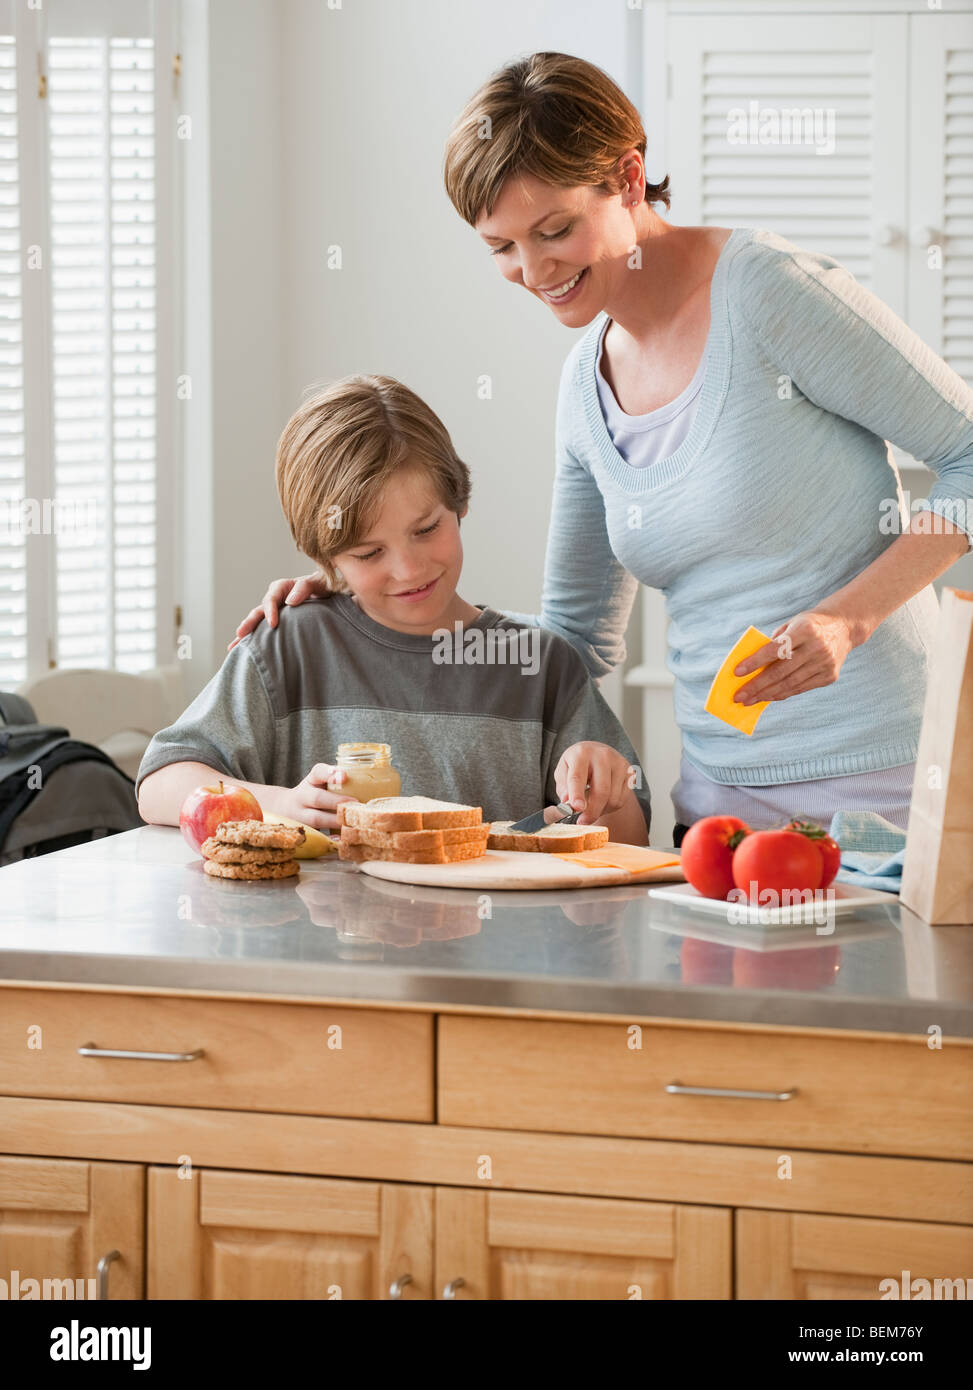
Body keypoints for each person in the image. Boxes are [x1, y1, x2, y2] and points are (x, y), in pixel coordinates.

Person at [233, 52, 973, 844]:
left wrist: (843, 622)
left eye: (554, 230)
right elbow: (572, 639)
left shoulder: (766, 291)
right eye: (501, 247)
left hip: (901, 779)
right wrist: (359, 600)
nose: (533, 269)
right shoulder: (584, 387)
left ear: (627, 178)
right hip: (722, 805)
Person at [136, 375, 652, 843]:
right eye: (367, 553)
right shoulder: (290, 647)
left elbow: (628, 838)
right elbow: (160, 781)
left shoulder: (538, 665)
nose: (409, 569)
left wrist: (609, 790)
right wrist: (281, 806)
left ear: (460, 501)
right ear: (326, 558)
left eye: (427, 529)